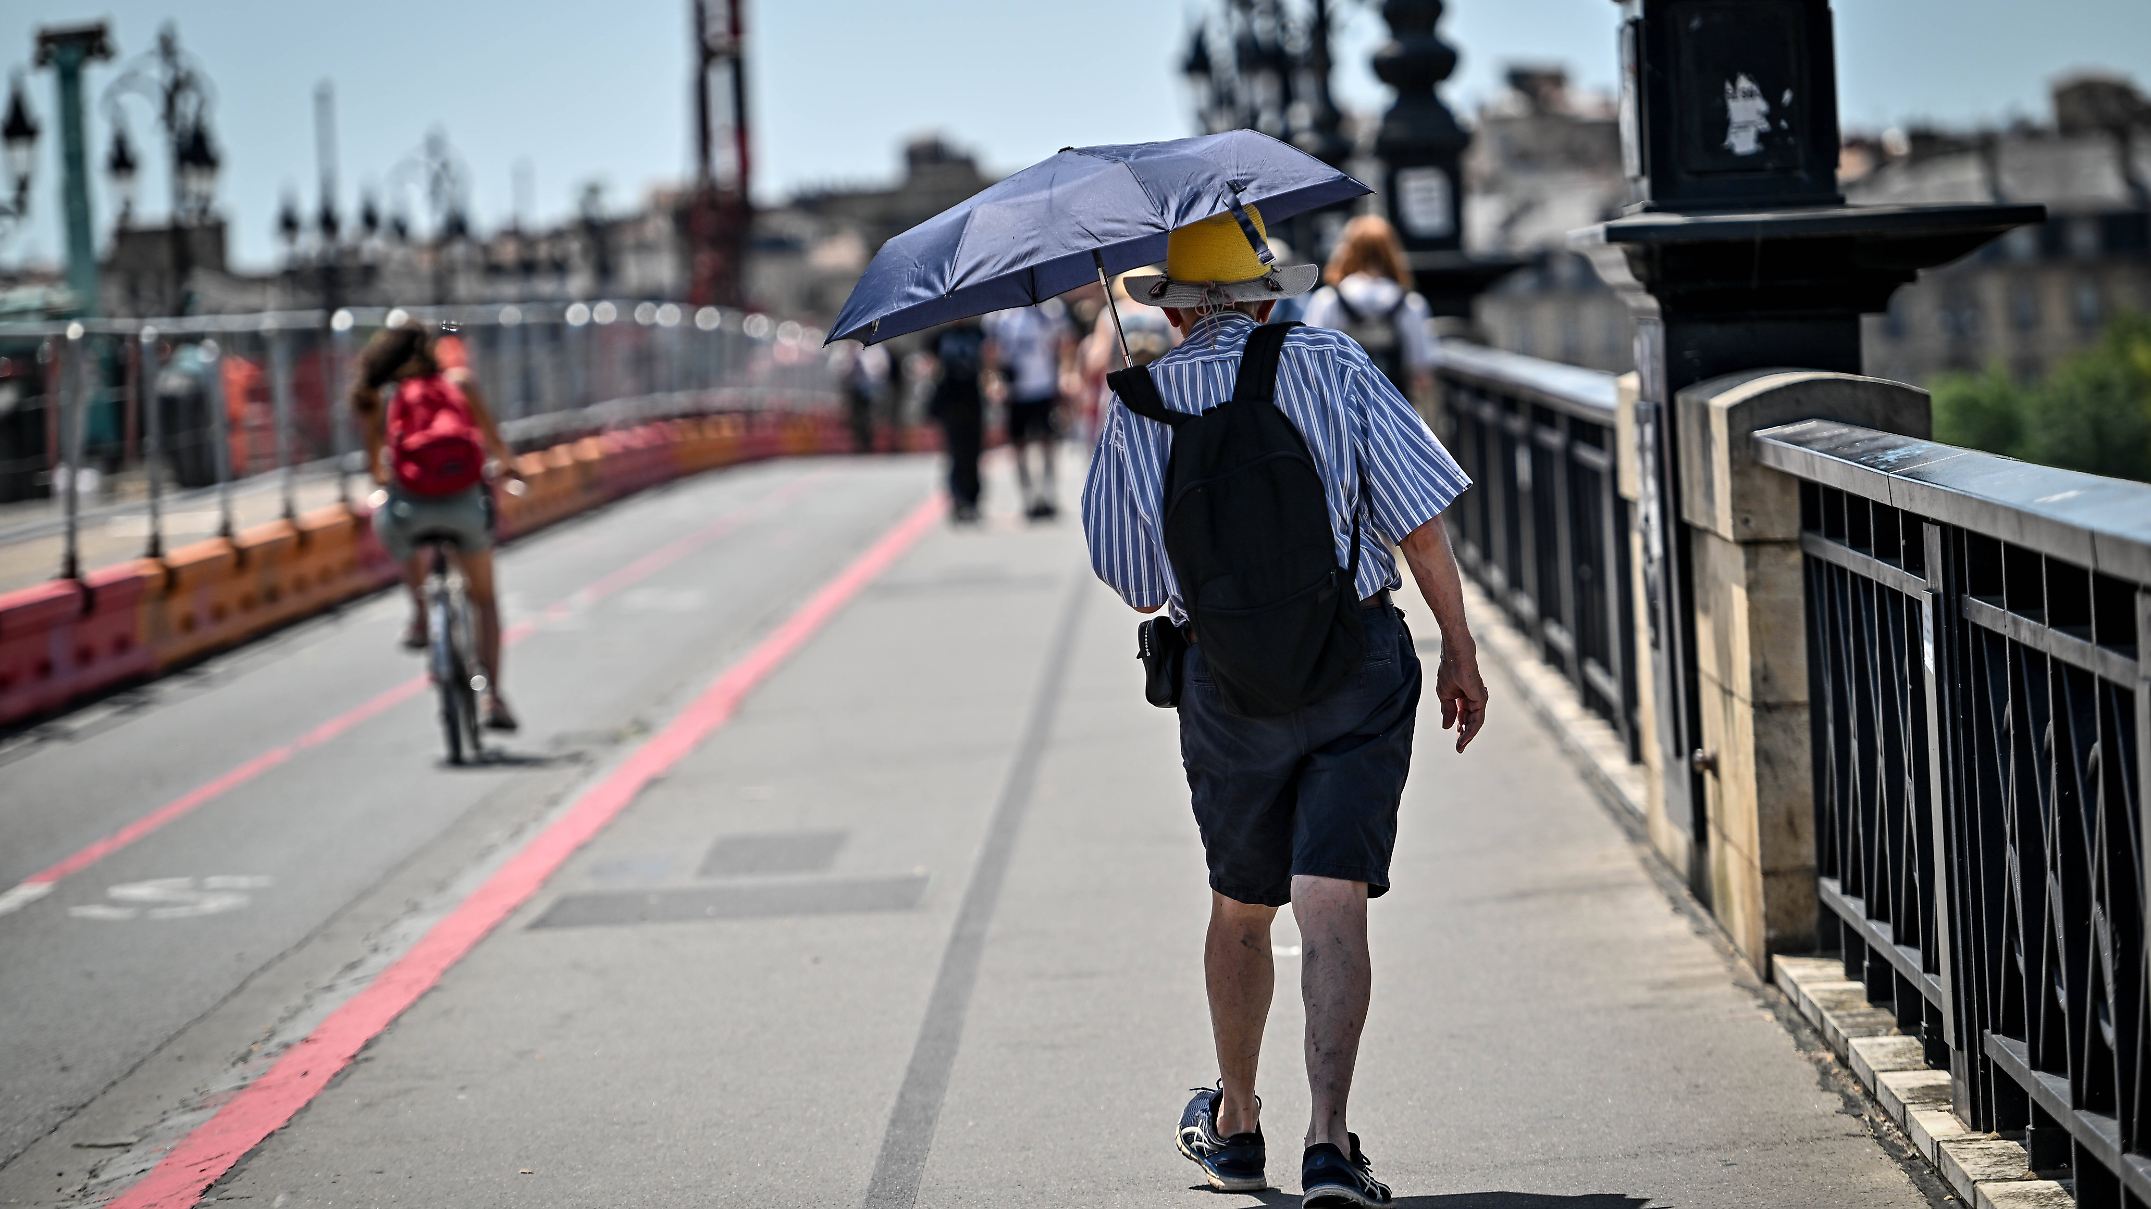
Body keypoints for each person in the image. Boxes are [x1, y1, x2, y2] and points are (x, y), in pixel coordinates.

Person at [1081, 206, 1488, 1206]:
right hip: (1355, 662)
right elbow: (1421, 527)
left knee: (1241, 910)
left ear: (1175, 315)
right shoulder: (1333, 364)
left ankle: (1236, 1119)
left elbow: (1137, 584)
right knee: (1332, 900)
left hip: (1227, 687)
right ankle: (1329, 1144)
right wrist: (1461, 654)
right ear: (1267, 296)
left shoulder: (1138, 404)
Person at [350, 324, 520, 731]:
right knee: (484, 600)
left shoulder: (384, 396)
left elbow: (376, 469)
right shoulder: (458, 382)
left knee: (398, 530)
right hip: (464, 505)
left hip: (410, 510)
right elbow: (495, 444)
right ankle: (492, 697)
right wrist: (510, 471)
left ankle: (422, 614)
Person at [1300, 215, 1439, 402]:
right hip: (1393, 406)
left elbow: (1311, 360)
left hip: (1343, 407)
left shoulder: (1328, 300)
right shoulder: (1409, 303)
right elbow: (1421, 368)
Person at [983, 301, 1069, 520]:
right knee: (1019, 445)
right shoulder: (999, 317)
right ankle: (1028, 496)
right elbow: (990, 352)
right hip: (1015, 391)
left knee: (1047, 443)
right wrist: (993, 380)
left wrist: (1066, 373)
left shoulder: (1049, 312)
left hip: (1043, 386)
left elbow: (1065, 342)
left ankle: (1048, 494)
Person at [927, 318, 989, 524]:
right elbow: (931, 366)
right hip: (950, 402)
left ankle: (973, 499)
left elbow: (987, 362)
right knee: (955, 452)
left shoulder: (978, 334)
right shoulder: (940, 337)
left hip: (973, 399)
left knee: (973, 452)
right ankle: (958, 498)